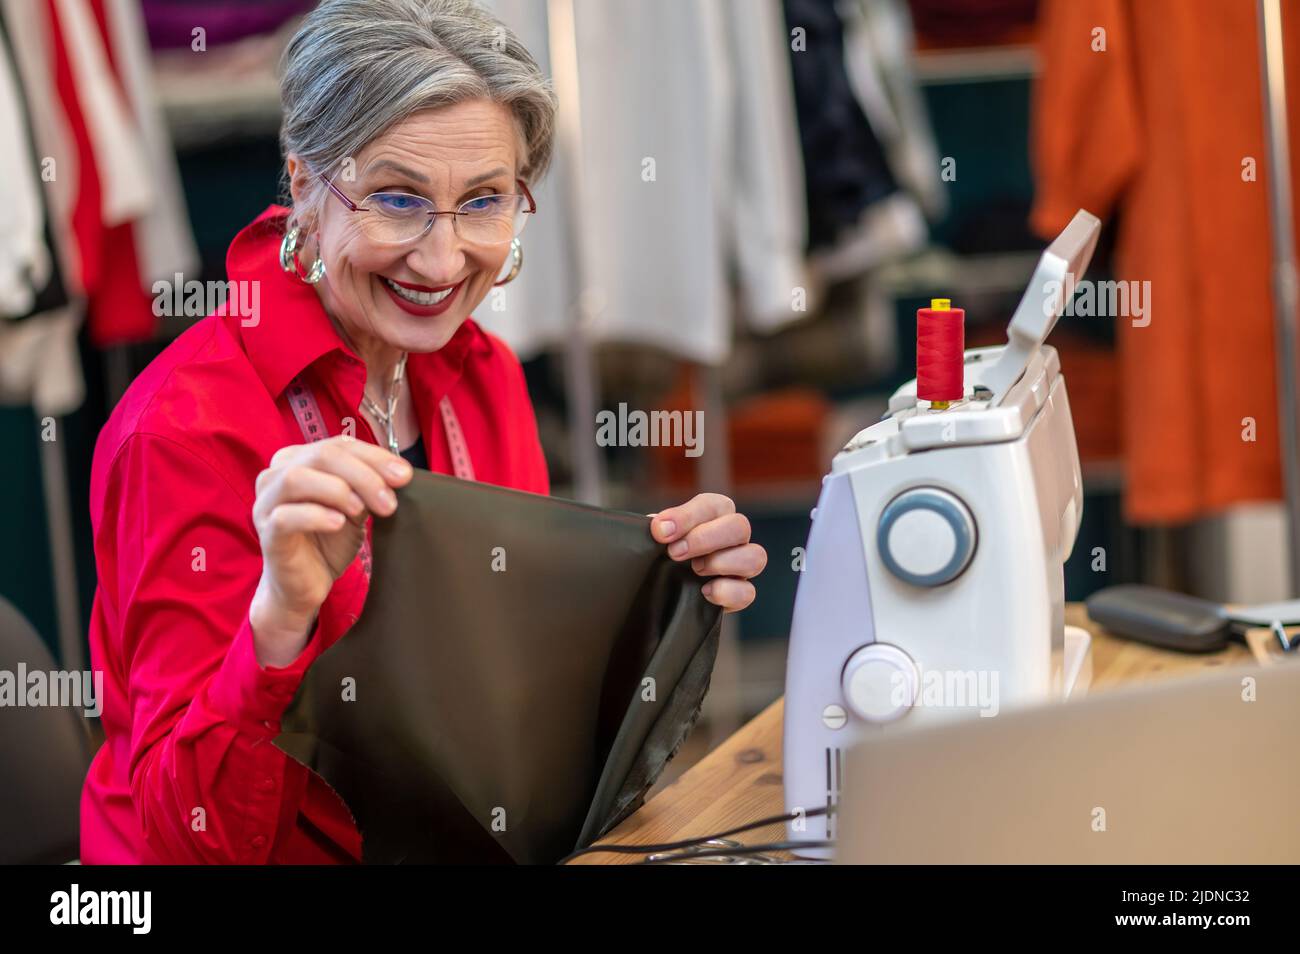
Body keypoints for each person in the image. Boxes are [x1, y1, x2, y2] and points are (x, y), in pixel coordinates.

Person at [81, 0, 767, 863]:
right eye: (397, 200)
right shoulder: (182, 430)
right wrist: (279, 623)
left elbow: (512, 695)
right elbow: (183, 841)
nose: (442, 264)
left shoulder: (482, 372)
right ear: (302, 184)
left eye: (483, 201)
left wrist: (659, 593)